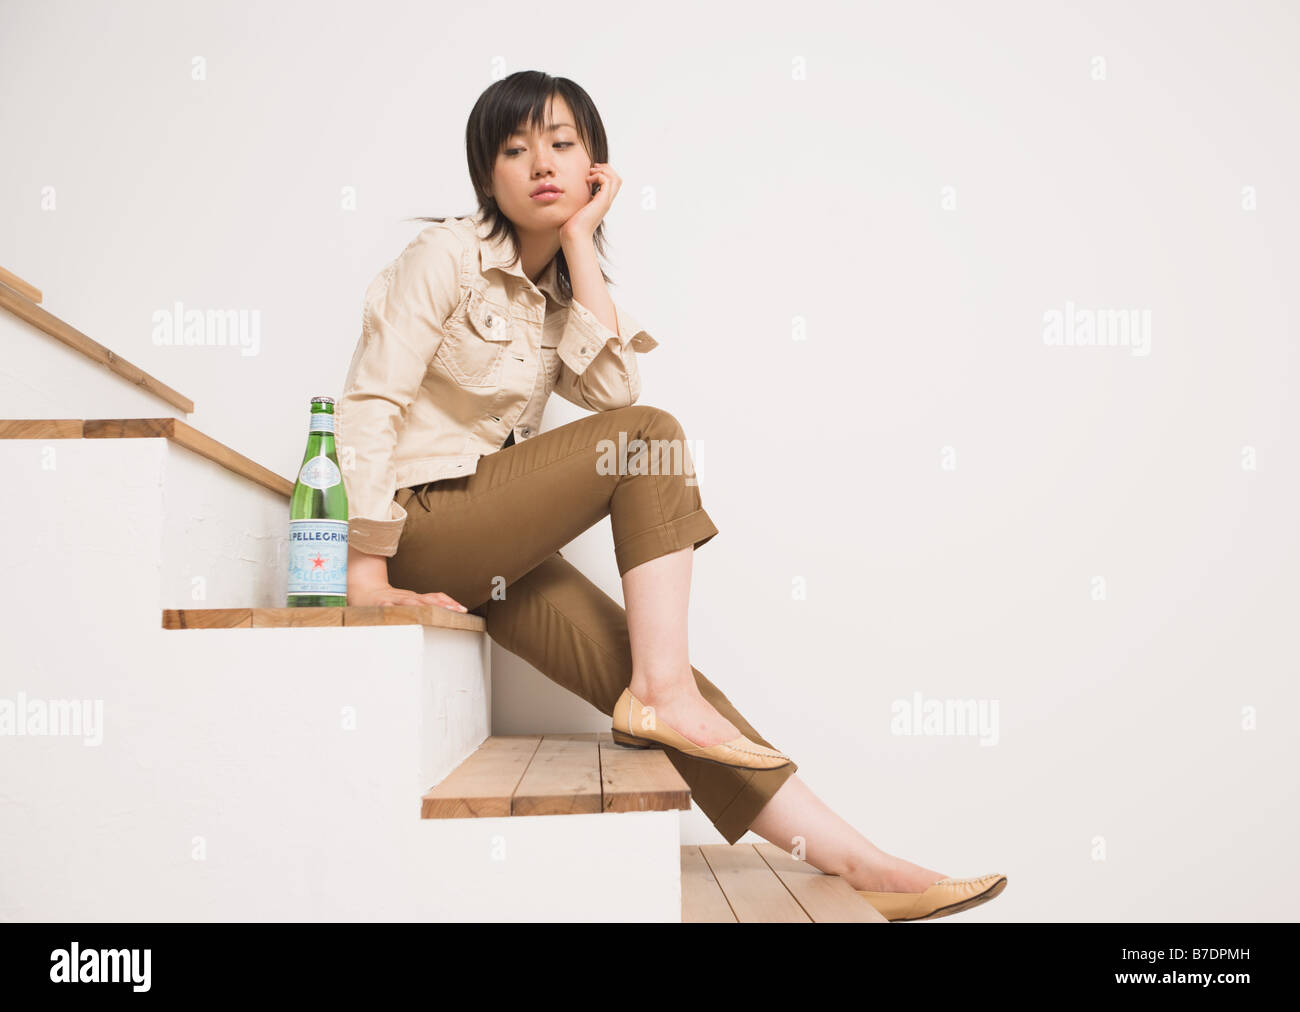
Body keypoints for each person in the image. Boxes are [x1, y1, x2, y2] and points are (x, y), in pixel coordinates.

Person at [336, 70, 1006, 921]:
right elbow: (371, 403)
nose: (541, 163)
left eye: (562, 144)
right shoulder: (444, 258)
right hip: (421, 525)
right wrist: (366, 575)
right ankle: (665, 694)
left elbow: (612, 387)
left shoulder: (553, 297)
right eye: (515, 149)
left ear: (593, 165)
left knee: (659, 678)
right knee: (649, 442)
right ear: (486, 176)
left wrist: (581, 239)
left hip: (488, 556)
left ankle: (859, 863)